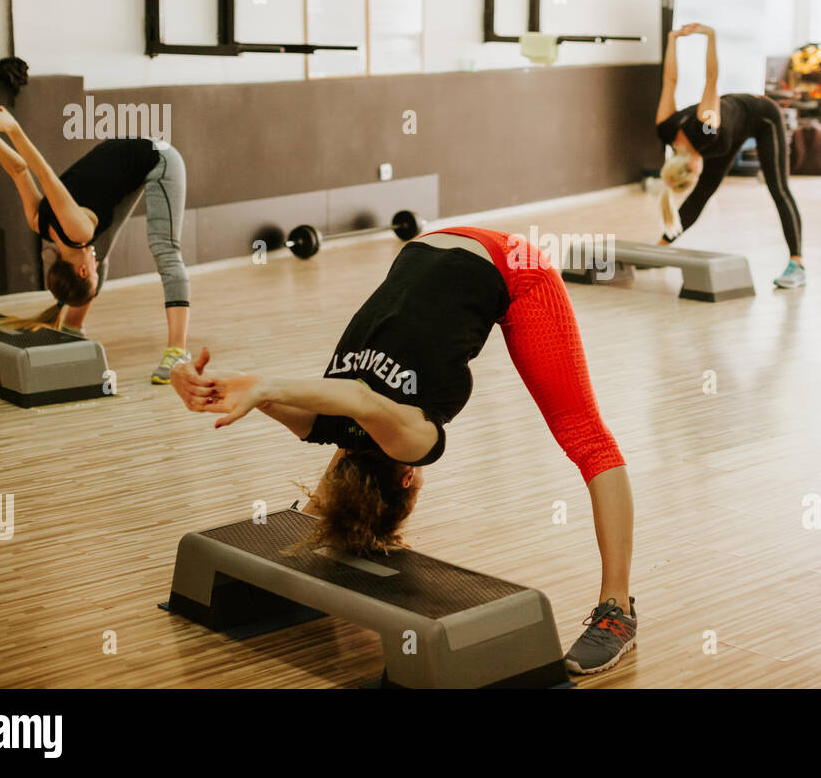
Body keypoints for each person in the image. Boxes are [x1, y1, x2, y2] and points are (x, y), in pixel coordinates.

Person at [169, 226, 638, 675]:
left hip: (515, 266)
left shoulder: (414, 443)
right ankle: (327, 510)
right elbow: (304, 403)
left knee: (586, 437)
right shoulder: (320, 423)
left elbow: (365, 402)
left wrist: (259, 387)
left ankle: (617, 610)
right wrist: (207, 383)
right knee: (355, 431)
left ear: (408, 478)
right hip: (428, 246)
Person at [0, 104, 192, 383]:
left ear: (83, 271)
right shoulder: (39, 224)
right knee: (106, 250)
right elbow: (17, 170)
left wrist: (11, 129)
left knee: (165, 248)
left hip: (159, 157)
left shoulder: (77, 231)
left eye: (94, 270)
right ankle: (73, 329)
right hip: (124, 164)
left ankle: (178, 350)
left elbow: (42, 174)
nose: (95, 263)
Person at [655, 23, 807, 288]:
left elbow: (711, 79)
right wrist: (671, 39)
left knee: (778, 188)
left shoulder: (704, 126)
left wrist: (711, 37)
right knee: (704, 191)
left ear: (690, 165)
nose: (699, 173)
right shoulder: (668, 132)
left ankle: (798, 263)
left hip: (762, 116)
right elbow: (669, 81)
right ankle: (662, 245)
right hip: (731, 128)